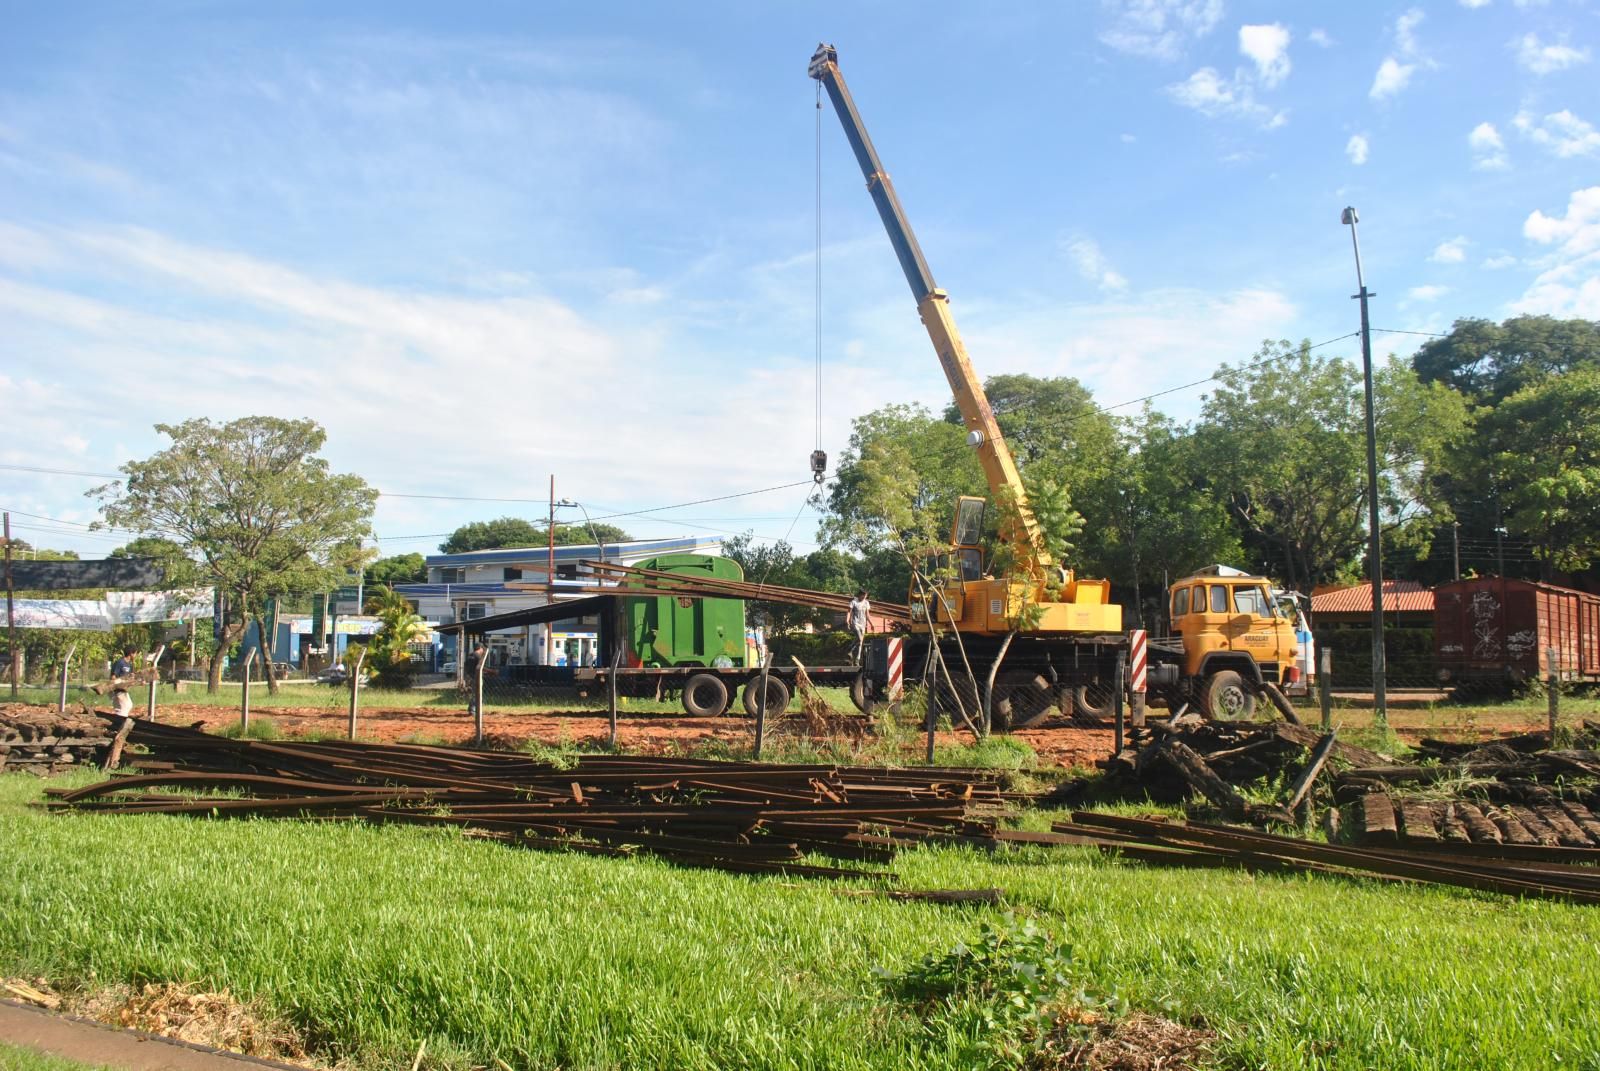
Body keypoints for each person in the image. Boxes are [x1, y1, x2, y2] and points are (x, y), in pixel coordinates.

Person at [110, 646, 138, 719]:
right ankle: (119, 723)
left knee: (127, 705)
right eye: (135, 653)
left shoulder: (129, 664)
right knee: (125, 706)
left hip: (122, 689)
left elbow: (130, 677)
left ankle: (118, 722)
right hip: (116, 689)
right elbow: (113, 676)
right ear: (131, 654)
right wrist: (117, 686)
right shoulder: (120, 662)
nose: (136, 656)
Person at [848, 589, 871, 665]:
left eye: (866, 595)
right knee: (859, 638)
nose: (865, 597)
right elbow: (849, 612)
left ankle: (857, 659)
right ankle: (850, 649)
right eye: (863, 595)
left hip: (863, 624)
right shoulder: (854, 602)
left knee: (860, 643)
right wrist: (847, 620)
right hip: (855, 623)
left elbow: (867, 614)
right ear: (860, 595)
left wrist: (871, 623)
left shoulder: (866, 603)